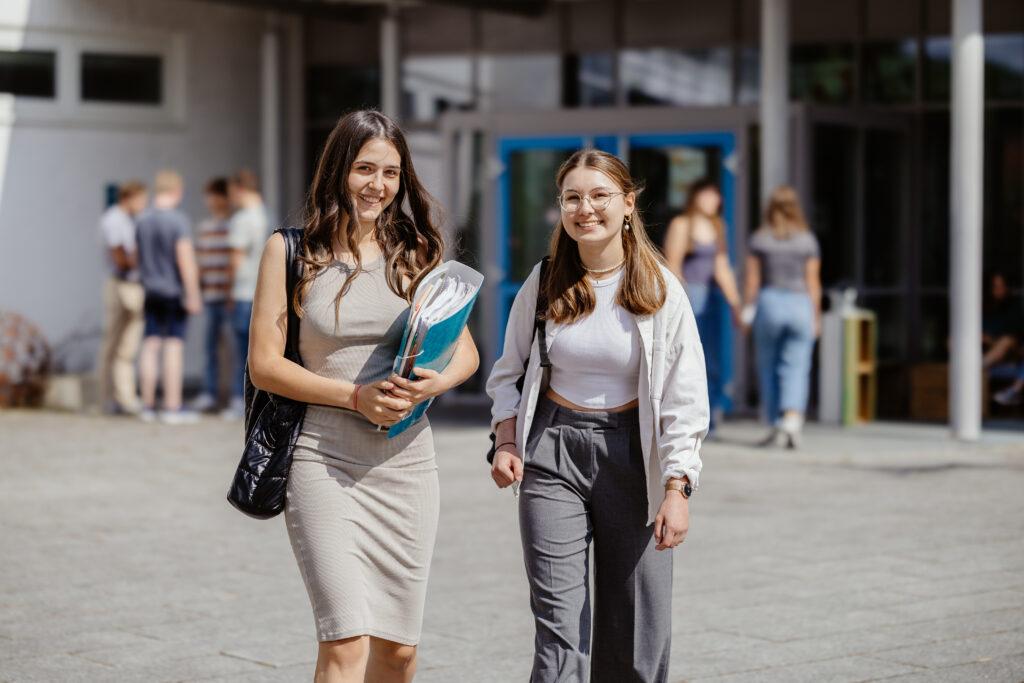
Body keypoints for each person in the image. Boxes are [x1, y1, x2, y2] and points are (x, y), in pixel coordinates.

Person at [247, 110, 479, 683]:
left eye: (391, 173)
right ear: (337, 171)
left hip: (407, 467)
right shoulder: (291, 250)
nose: (378, 184)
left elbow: (467, 353)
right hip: (321, 461)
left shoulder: (417, 252)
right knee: (345, 638)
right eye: (364, 168)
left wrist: (439, 382)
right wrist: (355, 397)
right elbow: (264, 365)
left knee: (398, 652)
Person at [487, 149, 708, 683]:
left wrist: (678, 488)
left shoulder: (660, 289)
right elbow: (507, 372)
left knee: (637, 630)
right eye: (572, 198)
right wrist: (506, 439)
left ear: (628, 203)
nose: (585, 208)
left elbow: (685, 399)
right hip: (553, 451)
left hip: (635, 458)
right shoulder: (544, 281)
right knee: (559, 631)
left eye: (599, 195)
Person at [742, 185, 822, 448]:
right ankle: (792, 419)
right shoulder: (807, 240)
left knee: (768, 366)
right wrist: (816, 317)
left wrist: (747, 310)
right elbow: (813, 282)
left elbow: (753, 281)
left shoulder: (761, 239)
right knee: (797, 366)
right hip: (800, 304)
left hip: (771, 302)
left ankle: (776, 422)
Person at [663, 178, 742, 434]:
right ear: (695, 196)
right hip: (690, 295)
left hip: (713, 297)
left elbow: (722, 267)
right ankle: (686, 415)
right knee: (688, 357)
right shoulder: (681, 224)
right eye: (707, 194)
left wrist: (735, 304)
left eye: (715, 195)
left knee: (713, 358)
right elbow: (672, 266)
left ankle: (712, 415)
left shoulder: (718, 226)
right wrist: (680, 302)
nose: (712, 200)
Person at [136, 170, 202, 424]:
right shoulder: (177, 221)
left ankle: (147, 405)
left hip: (150, 289)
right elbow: (184, 259)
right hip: (174, 291)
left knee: (150, 344)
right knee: (173, 345)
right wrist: (193, 293)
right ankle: (172, 406)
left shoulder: (142, 220)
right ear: (177, 191)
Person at [96, 180, 149, 415]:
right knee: (113, 344)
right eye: (141, 200)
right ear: (130, 197)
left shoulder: (130, 220)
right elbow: (120, 257)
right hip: (121, 285)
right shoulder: (114, 219)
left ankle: (125, 398)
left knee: (127, 347)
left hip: (132, 284)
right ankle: (106, 398)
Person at [221, 169, 270, 419]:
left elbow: (235, 260)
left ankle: (239, 401)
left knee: (241, 351)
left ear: (240, 189)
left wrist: (228, 291)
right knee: (259, 351)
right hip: (264, 292)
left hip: (242, 293)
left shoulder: (242, 219)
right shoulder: (266, 215)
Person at [190, 178, 233, 412]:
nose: (208, 201)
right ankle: (209, 392)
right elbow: (199, 263)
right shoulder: (204, 228)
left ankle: (236, 395)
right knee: (209, 347)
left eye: (212, 195)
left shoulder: (234, 225)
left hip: (230, 298)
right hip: (210, 296)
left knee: (235, 349)